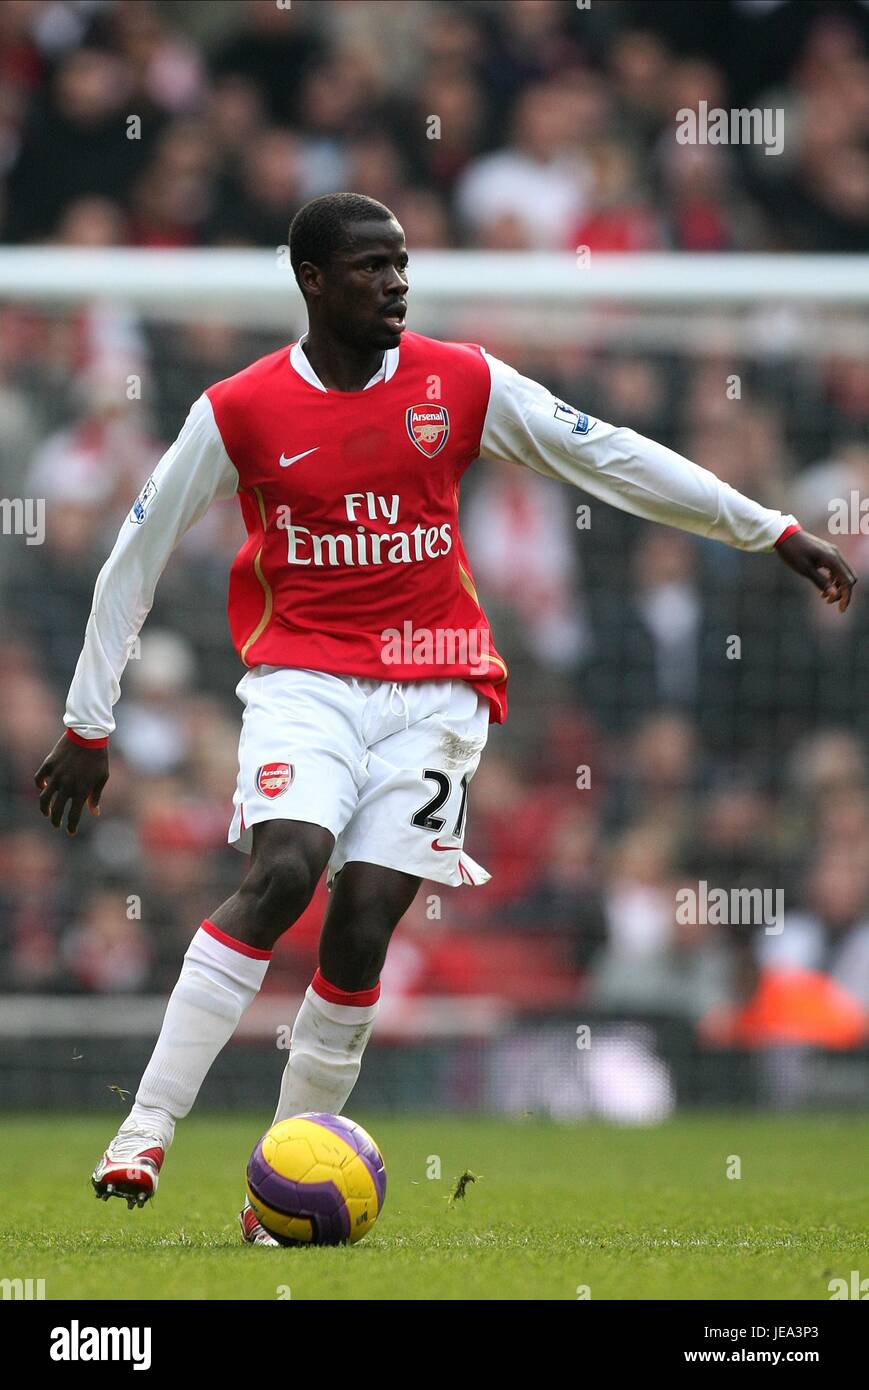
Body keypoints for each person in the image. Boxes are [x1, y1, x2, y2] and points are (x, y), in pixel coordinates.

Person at [33, 192, 856, 1245]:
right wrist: (87, 723)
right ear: (314, 282)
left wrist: (765, 527)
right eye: (371, 267)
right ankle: (143, 1128)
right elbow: (130, 563)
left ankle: (276, 1188)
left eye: (402, 264)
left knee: (366, 914)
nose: (396, 283)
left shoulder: (458, 380)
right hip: (303, 678)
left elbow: (606, 452)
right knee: (286, 865)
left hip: (435, 685)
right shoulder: (238, 409)